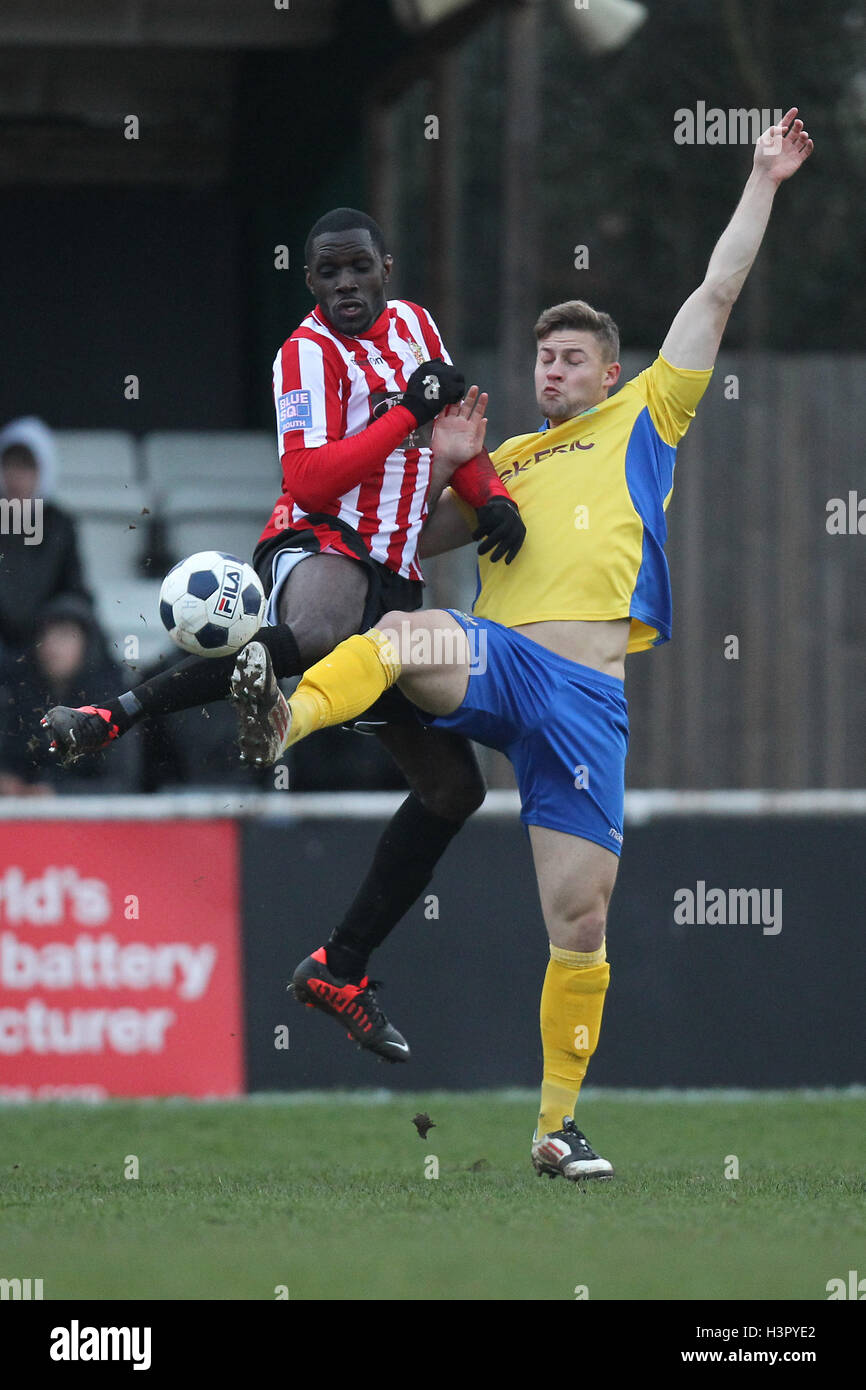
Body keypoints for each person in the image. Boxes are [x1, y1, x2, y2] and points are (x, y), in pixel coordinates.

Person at [249, 113, 813, 1176]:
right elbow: (389, 539)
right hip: (500, 660)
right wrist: (425, 454)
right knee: (406, 627)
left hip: (587, 704)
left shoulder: (648, 415)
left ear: (608, 374)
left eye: (570, 358)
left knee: (579, 917)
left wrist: (761, 179)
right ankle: (279, 718)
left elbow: (715, 292)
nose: (550, 370)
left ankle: (556, 1125)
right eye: (542, 357)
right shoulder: (497, 460)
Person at [40, 208, 525, 1055]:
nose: (344, 286)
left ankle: (340, 967)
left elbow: (450, 435)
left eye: (357, 269)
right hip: (320, 542)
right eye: (327, 273)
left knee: (455, 791)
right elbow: (308, 475)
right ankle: (115, 714)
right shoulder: (302, 354)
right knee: (313, 627)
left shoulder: (417, 327)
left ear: (386, 266)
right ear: (309, 281)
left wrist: (492, 499)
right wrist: (404, 416)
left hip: (398, 579)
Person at [0, 595, 138, 795]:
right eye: (45, 636)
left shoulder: (113, 705)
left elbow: (122, 783)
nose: (52, 646)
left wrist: (58, 793)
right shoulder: (15, 698)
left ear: (88, 645)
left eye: (65, 636)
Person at [0, 417, 92, 679]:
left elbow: (74, 588)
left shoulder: (60, 524)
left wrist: (56, 626)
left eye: (27, 467)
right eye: (10, 466)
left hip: (45, 636)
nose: (17, 477)